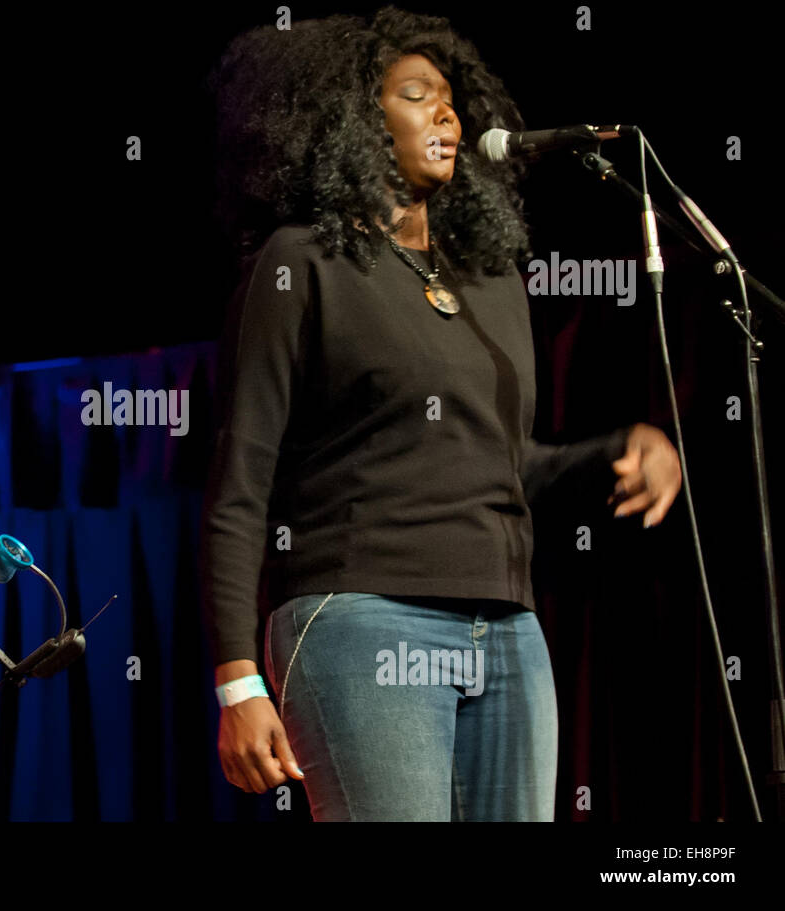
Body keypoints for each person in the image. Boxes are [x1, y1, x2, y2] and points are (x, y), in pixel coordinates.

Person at [201, 8, 682, 821]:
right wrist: (238, 678)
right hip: (361, 616)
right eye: (418, 94)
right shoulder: (302, 263)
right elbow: (240, 481)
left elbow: (500, 459)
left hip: (508, 625)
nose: (448, 113)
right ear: (358, 120)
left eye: (454, 99)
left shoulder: (492, 281)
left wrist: (618, 449)